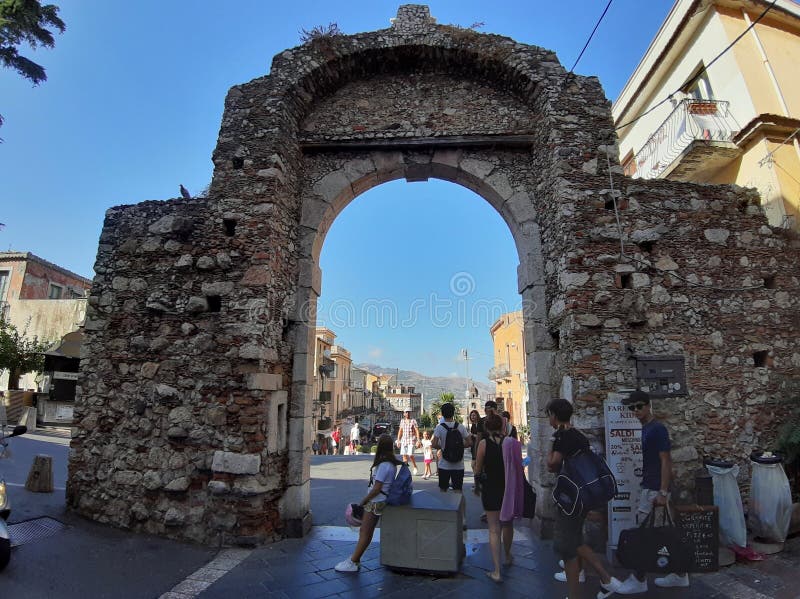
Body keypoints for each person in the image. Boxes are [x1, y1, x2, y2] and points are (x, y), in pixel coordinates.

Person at [547, 398, 622, 599]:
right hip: (583, 496)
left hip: (569, 499)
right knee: (576, 541)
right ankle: (607, 580)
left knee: (568, 548)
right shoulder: (579, 436)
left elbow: (552, 464)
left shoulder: (561, 437)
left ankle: (575, 595)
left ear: (553, 415)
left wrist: (551, 444)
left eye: (549, 415)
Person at [617, 390, 690, 593]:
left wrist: (663, 492)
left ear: (648, 405)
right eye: (632, 408)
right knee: (663, 534)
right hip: (651, 486)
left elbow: (666, 460)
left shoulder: (657, 429)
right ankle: (680, 574)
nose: (636, 411)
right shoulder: (647, 428)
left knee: (644, 534)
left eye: (639, 406)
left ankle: (639, 579)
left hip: (654, 489)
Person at [335, 434, 403, 573]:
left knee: (365, 532)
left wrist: (363, 501)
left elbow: (377, 488)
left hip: (375, 502)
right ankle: (355, 559)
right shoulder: (390, 464)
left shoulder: (384, 465)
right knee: (366, 532)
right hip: (378, 500)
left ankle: (353, 561)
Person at [473, 413, 507, 582]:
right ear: (501, 426)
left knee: (494, 529)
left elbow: (478, 470)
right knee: (507, 524)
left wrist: (477, 486)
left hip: (490, 488)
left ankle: (497, 571)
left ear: (486, 427)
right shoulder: (510, 443)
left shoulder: (483, 444)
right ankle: (509, 557)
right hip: (507, 488)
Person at [432, 403, 471, 493]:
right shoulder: (460, 427)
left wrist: (443, 447)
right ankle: (460, 507)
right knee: (458, 490)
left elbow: (434, 444)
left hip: (444, 464)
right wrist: (460, 446)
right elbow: (470, 442)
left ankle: (445, 506)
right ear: (453, 413)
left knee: (443, 490)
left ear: (442, 414)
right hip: (458, 465)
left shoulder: (439, 428)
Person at [396, 410, 419, 475]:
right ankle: (405, 470)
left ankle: (415, 466)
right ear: (404, 414)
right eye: (406, 412)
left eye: (409, 412)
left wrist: (418, 440)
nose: (408, 413)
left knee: (410, 454)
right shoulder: (402, 421)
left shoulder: (413, 421)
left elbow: (417, 430)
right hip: (404, 440)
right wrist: (398, 440)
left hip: (411, 439)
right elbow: (400, 431)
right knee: (404, 455)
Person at [468, 409, 482, 477]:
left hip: (479, 446)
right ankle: (477, 481)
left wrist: (472, 435)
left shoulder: (480, 424)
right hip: (473, 446)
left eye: (474, 415)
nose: (472, 417)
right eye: (471, 416)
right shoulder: (473, 425)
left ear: (477, 415)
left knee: (474, 465)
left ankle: (477, 481)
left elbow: (480, 436)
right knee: (475, 465)